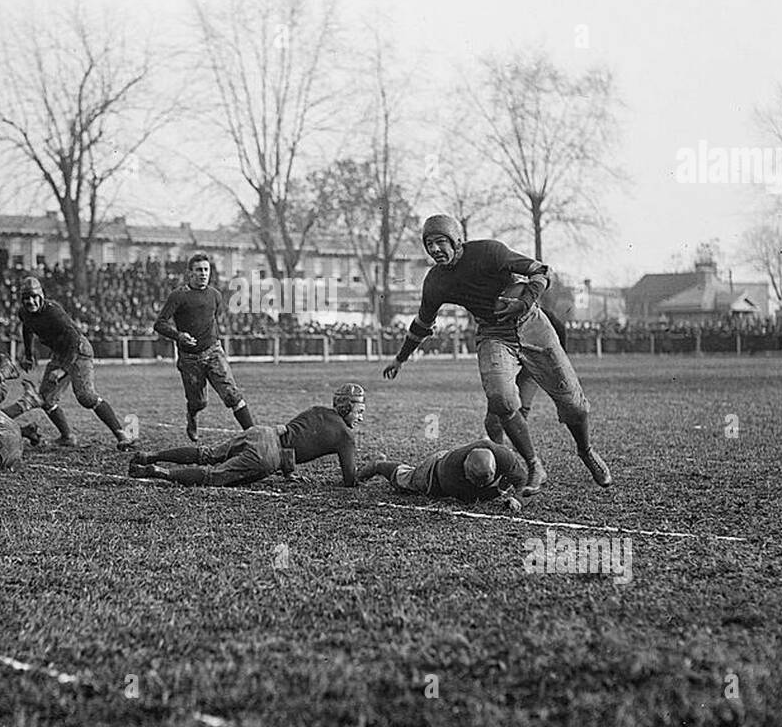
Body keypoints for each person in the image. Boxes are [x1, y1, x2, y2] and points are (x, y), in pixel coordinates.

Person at [382, 214, 611, 495]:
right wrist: (400, 358)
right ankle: (533, 465)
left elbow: (540, 271)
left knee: (574, 406)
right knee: (501, 401)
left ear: (456, 240)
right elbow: (422, 324)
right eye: (428, 244)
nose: (434, 250)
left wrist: (524, 301)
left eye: (440, 242)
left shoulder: (489, 252)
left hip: (532, 324)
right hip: (493, 333)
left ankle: (586, 451)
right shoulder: (436, 282)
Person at [128, 383, 365, 488]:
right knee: (213, 477)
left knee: (206, 454)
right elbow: (349, 481)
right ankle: (162, 473)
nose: (361, 417)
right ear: (347, 408)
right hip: (266, 457)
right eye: (360, 411)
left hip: (261, 432)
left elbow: (291, 435)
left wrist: (289, 472)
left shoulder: (318, 410)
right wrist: (374, 468)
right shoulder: (346, 436)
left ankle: (151, 456)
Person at [17, 275, 135, 451]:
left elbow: (73, 338)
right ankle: (67, 436)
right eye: (26, 298)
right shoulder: (24, 313)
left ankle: (122, 435)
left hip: (78, 350)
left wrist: (63, 369)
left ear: (41, 296)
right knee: (46, 399)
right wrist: (28, 353)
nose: (31, 301)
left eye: (34, 297)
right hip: (60, 353)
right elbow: (27, 327)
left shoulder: (53, 312)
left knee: (86, 396)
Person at [153, 252, 253, 441]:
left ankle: (255, 435)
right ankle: (192, 416)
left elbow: (212, 320)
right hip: (190, 359)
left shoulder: (215, 295)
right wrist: (179, 335)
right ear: (189, 273)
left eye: (206, 270)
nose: (203, 273)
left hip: (213, 352)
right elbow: (160, 324)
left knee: (232, 395)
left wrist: (216, 342)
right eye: (199, 270)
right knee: (199, 402)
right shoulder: (178, 296)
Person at [356, 439, 527, 511]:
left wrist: (518, 498)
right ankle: (378, 465)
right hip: (434, 473)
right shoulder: (451, 472)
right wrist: (500, 489)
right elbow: (471, 499)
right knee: (405, 480)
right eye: (475, 481)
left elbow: (522, 480)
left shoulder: (505, 457)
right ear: (465, 469)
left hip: (449, 459)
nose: (479, 485)